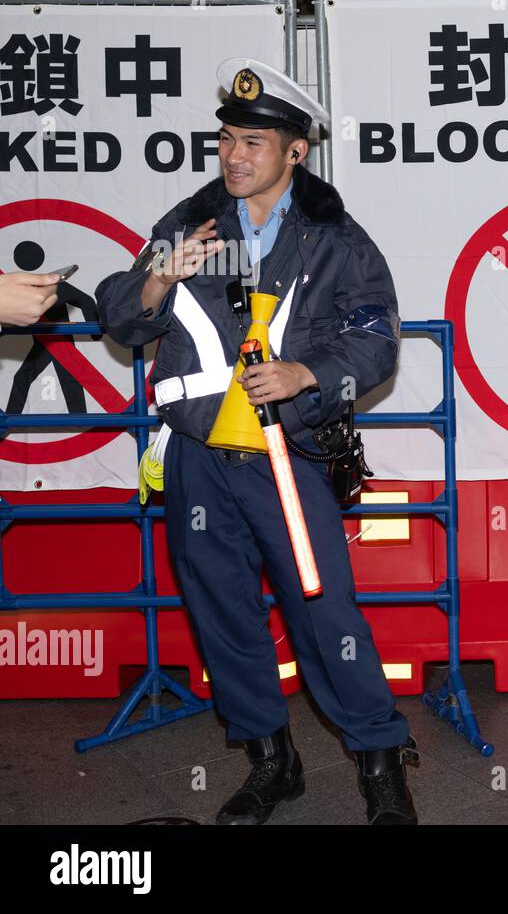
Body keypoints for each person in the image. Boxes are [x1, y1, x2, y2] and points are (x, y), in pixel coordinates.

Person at [95, 58, 417, 824]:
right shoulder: (188, 225)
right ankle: (273, 761)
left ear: (295, 151)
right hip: (200, 459)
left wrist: (307, 372)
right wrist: (154, 282)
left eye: (253, 143)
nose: (234, 156)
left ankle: (380, 766)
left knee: (325, 612)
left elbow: (378, 337)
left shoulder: (335, 236)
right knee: (223, 613)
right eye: (226, 140)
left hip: (288, 458)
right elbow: (119, 316)